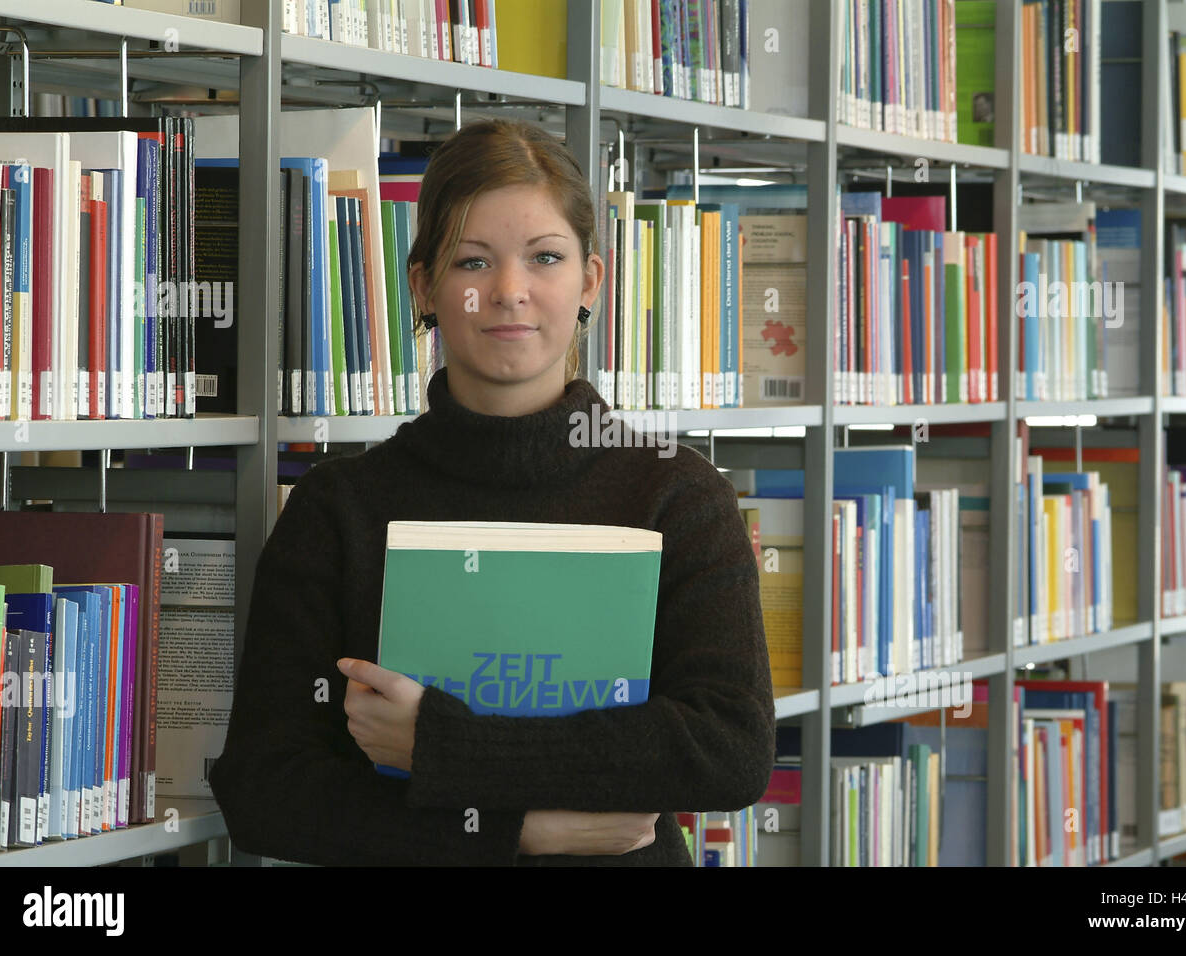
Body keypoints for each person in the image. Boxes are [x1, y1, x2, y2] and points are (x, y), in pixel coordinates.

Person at [209, 118, 775, 866]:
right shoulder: (338, 509)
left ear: (591, 283)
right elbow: (264, 794)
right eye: (473, 262)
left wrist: (442, 745)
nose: (509, 292)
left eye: (545, 258)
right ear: (424, 286)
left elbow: (728, 750)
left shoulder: (678, 495)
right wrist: (516, 832)